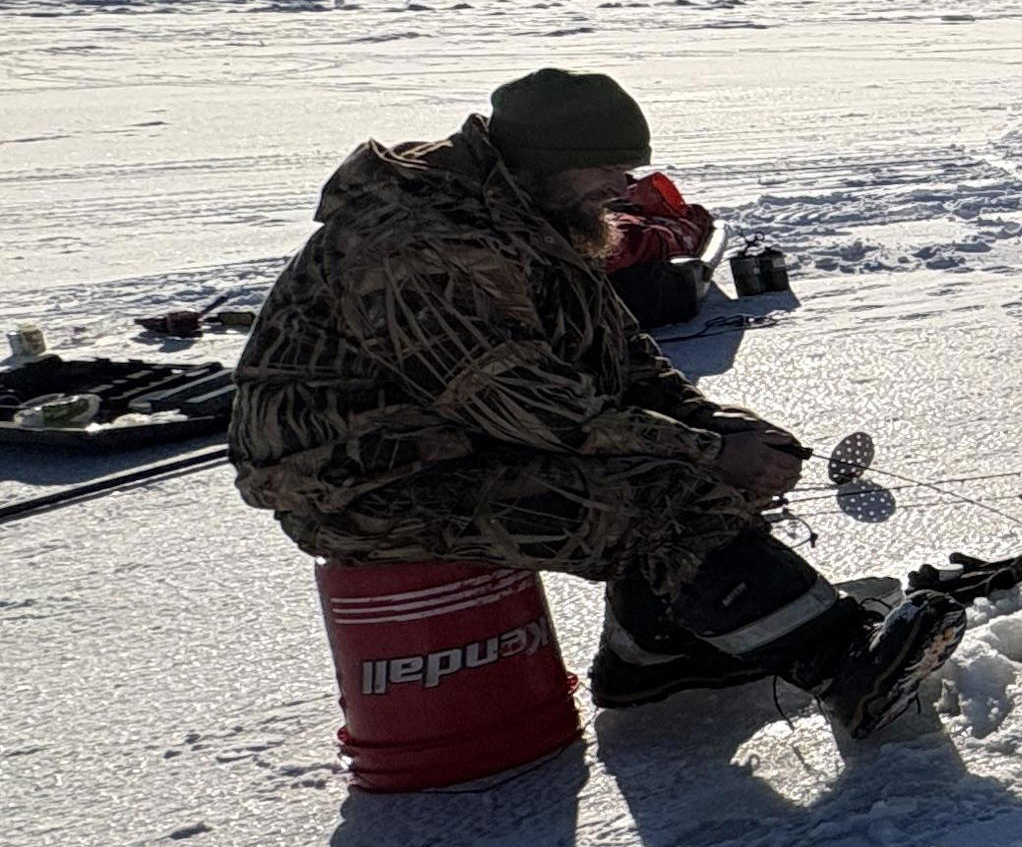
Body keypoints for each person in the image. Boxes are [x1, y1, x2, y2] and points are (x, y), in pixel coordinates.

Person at [230, 67, 964, 731]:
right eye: (610, 170)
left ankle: (658, 658)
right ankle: (845, 669)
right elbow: (529, 405)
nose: (624, 187)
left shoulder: (532, 215)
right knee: (665, 495)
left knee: (705, 465)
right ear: (547, 164)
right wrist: (706, 449)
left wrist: (712, 423)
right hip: (361, 481)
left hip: (462, 440)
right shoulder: (422, 241)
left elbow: (620, 359)